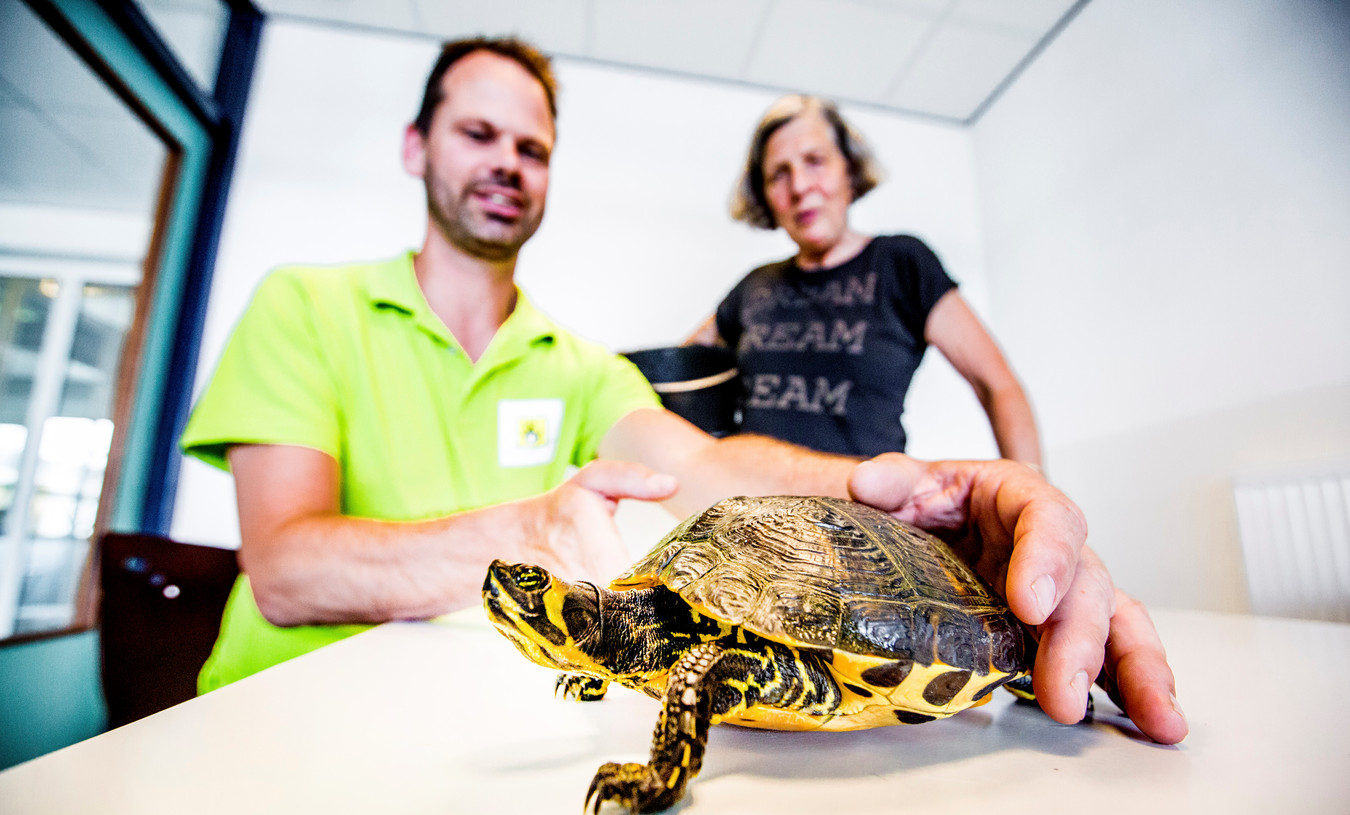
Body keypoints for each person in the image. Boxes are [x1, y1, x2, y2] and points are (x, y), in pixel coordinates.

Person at [180, 37, 1185, 746]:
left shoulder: (575, 361)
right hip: (280, 719)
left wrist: (926, 501)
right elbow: (283, 568)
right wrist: (534, 534)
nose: (506, 165)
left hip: (485, 722)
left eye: (532, 149)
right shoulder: (305, 305)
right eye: (477, 134)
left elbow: (710, 467)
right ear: (416, 147)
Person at [687, 95, 1041, 466]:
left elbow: (997, 386)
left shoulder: (901, 264)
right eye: (779, 173)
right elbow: (673, 373)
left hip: (865, 514)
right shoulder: (755, 287)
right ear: (765, 197)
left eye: (815, 161)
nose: (799, 186)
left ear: (850, 171)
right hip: (754, 513)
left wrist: (1031, 495)